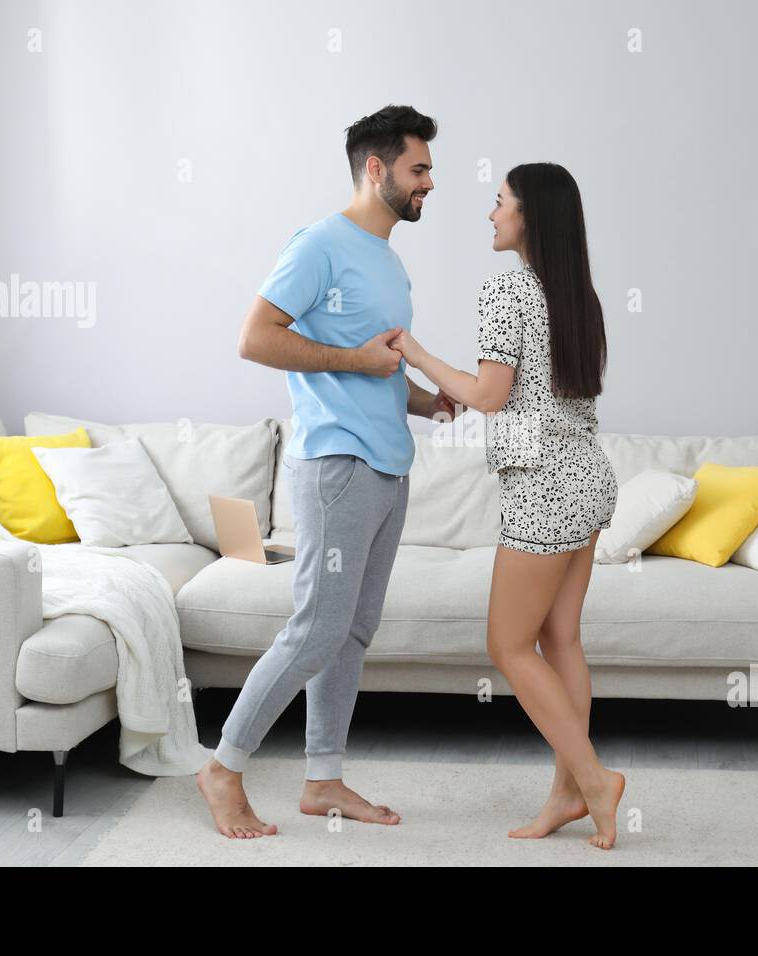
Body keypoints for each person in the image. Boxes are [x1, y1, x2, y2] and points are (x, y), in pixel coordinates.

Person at [196, 105, 459, 839]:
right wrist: (356, 361)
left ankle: (324, 780)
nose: (430, 182)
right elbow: (255, 339)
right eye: (420, 168)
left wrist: (424, 400)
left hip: (387, 466)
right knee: (316, 627)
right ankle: (223, 768)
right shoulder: (319, 245)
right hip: (336, 464)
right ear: (376, 170)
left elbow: (374, 367)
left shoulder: (390, 262)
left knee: (351, 632)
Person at [391, 162, 626, 849]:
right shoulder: (577, 294)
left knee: (507, 643)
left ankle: (592, 779)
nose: (490, 216)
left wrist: (414, 351)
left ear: (529, 217)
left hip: (544, 487)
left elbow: (490, 395)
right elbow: (535, 395)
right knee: (561, 641)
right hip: (588, 479)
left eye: (499, 204)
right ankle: (565, 797)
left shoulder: (509, 288)